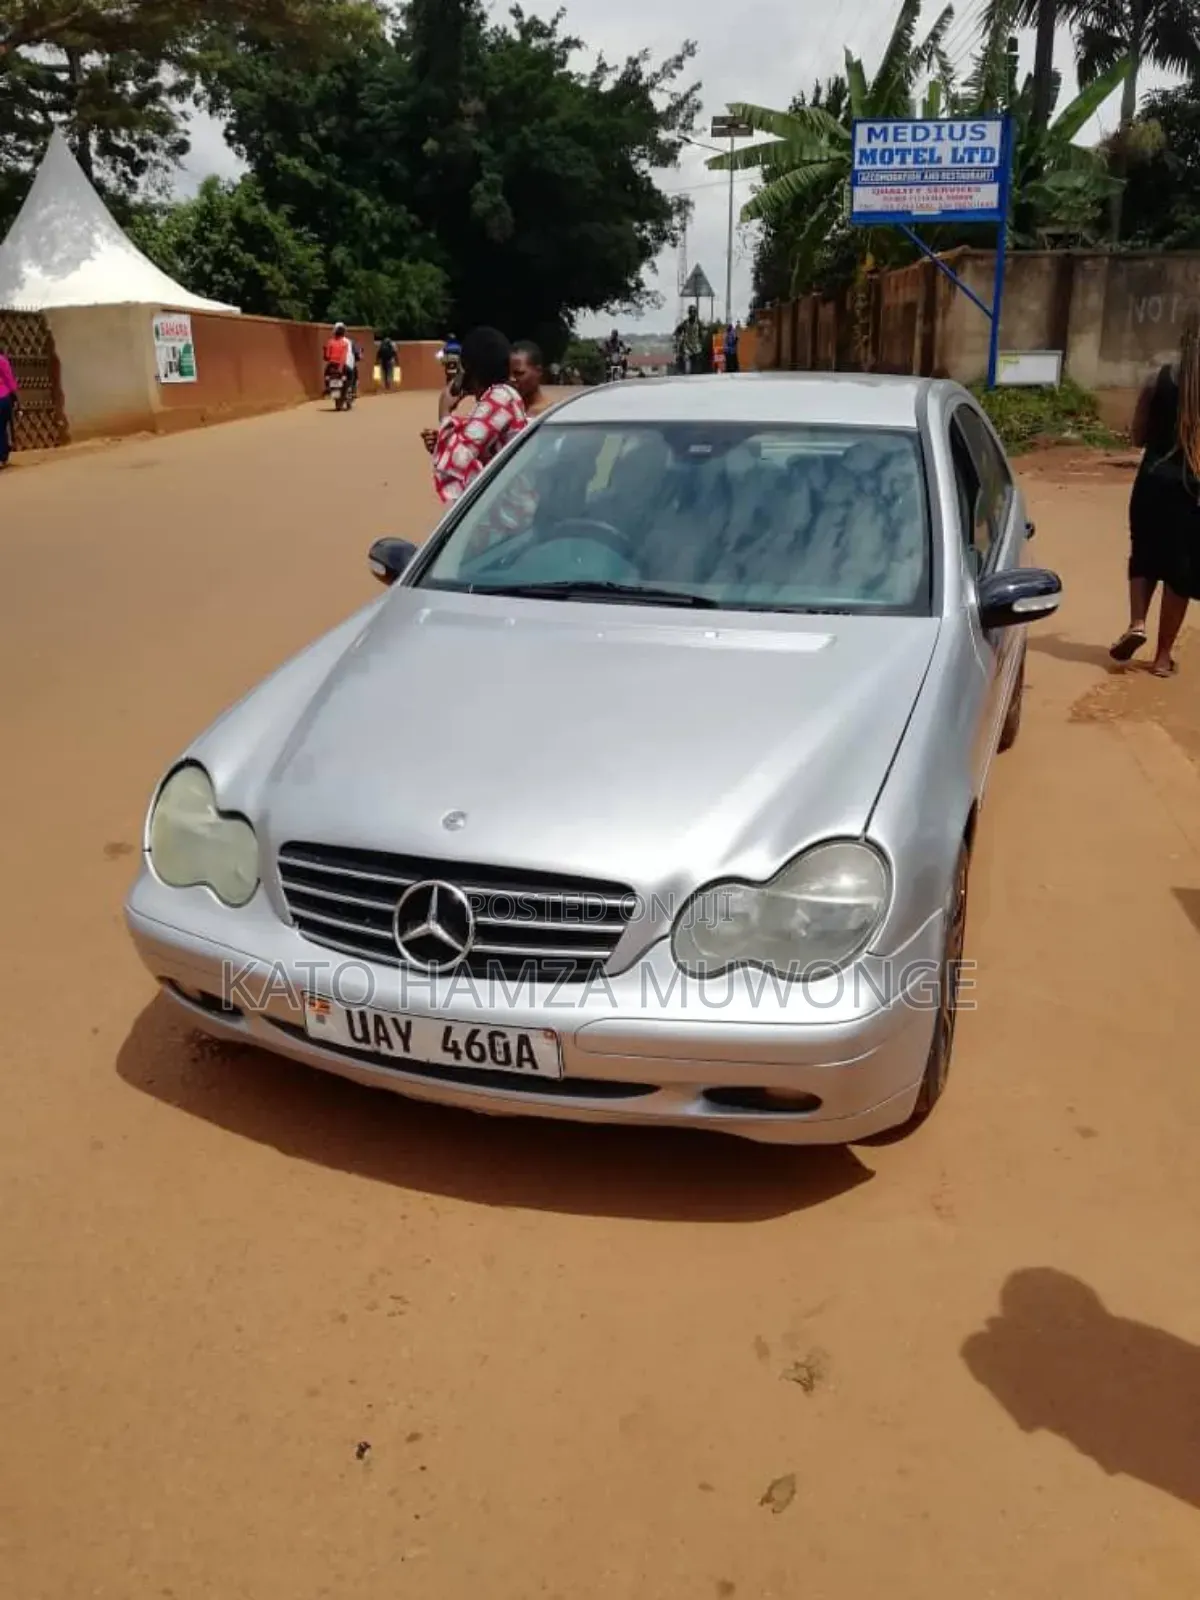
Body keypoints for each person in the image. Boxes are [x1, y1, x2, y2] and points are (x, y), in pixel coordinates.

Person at [1109, 311, 1200, 678]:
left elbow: (1138, 436)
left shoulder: (1157, 378)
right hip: (1191, 486)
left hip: (1151, 480)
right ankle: (1162, 658)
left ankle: (1136, 624)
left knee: (1144, 555)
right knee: (1181, 570)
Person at [431, 326, 528, 505]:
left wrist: (444, 412)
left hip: (504, 519)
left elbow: (457, 462)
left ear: (471, 369)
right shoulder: (501, 397)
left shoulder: (498, 398)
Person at [511, 339, 549, 416]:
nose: (511, 379)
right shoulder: (505, 412)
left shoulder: (549, 413)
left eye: (519, 373)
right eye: (508, 373)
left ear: (538, 371)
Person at [0, 344, 18, 470]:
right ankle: (3, 457)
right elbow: (8, 378)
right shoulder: (1, 360)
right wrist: (15, 395)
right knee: (2, 427)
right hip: (3, 397)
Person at [677, 306, 703, 375]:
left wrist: (701, 340)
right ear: (689, 313)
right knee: (684, 358)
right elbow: (678, 330)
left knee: (697, 360)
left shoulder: (698, 323)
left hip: (696, 345)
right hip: (687, 345)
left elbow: (701, 333)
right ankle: (682, 370)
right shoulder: (685, 323)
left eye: (694, 312)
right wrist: (679, 336)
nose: (692, 314)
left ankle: (696, 372)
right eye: (691, 312)